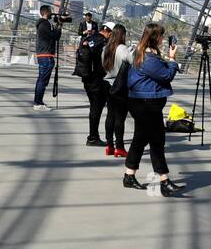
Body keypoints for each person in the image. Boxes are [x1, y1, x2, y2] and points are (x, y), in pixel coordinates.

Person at [123, 23, 185, 196]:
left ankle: (129, 176)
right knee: (157, 141)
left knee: (141, 139)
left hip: (143, 101)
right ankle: (164, 180)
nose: (163, 39)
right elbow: (166, 75)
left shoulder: (143, 53)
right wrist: (172, 59)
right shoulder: (148, 58)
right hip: (146, 103)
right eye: (161, 36)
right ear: (155, 38)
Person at [75, 21, 109, 148]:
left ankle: (93, 136)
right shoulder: (101, 41)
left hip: (86, 76)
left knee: (94, 107)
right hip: (96, 79)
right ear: (107, 31)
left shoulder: (89, 38)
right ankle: (93, 137)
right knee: (96, 108)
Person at [103, 24, 132, 158]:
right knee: (120, 117)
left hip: (108, 85)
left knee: (110, 115)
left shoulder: (106, 49)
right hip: (120, 87)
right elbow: (133, 61)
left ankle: (109, 145)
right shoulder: (122, 49)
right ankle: (119, 147)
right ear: (122, 35)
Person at [33, 5, 62, 111]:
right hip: (46, 55)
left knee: (41, 79)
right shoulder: (45, 24)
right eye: (51, 11)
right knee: (42, 80)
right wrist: (59, 26)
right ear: (47, 12)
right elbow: (56, 36)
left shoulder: (42, 24)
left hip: (44, 55)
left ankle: (38, 102)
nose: (52, 13)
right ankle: (38, 103)